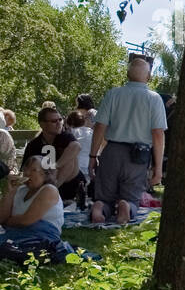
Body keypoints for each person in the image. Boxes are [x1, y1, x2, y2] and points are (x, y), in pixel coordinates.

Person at [89, 57, 167, 225]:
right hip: (138, 156)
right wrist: (158, 168)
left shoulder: (113, 94)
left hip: (112, 151)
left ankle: (100, 206)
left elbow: (100, 127)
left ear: (127, 74)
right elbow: (158, 134)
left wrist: (92, 156)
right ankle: (126, 206)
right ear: (149, 77)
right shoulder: (154, 99)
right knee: (132, 197)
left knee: (105, 197)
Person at [0, 155, 69, 262]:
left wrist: (8, 221)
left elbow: (26, 221)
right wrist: (10, 191)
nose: (27, 173)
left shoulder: (49, 190)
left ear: (45, 174)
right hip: (16, 233)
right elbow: (1, 217)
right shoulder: (20, 190)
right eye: (25, 170)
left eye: (33, 170)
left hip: (41, 235)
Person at [23, 105, 82, 203]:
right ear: (42, 124)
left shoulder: (64, 135)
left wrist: (55, 166)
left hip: (69, 183)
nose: (59, 123)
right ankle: (48, 191)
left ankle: (52, 189)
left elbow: (76, 146)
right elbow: (25, 171)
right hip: (43, 183)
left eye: (60, 119)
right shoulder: (33, 145)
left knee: (71, 158)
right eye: (54, 121)